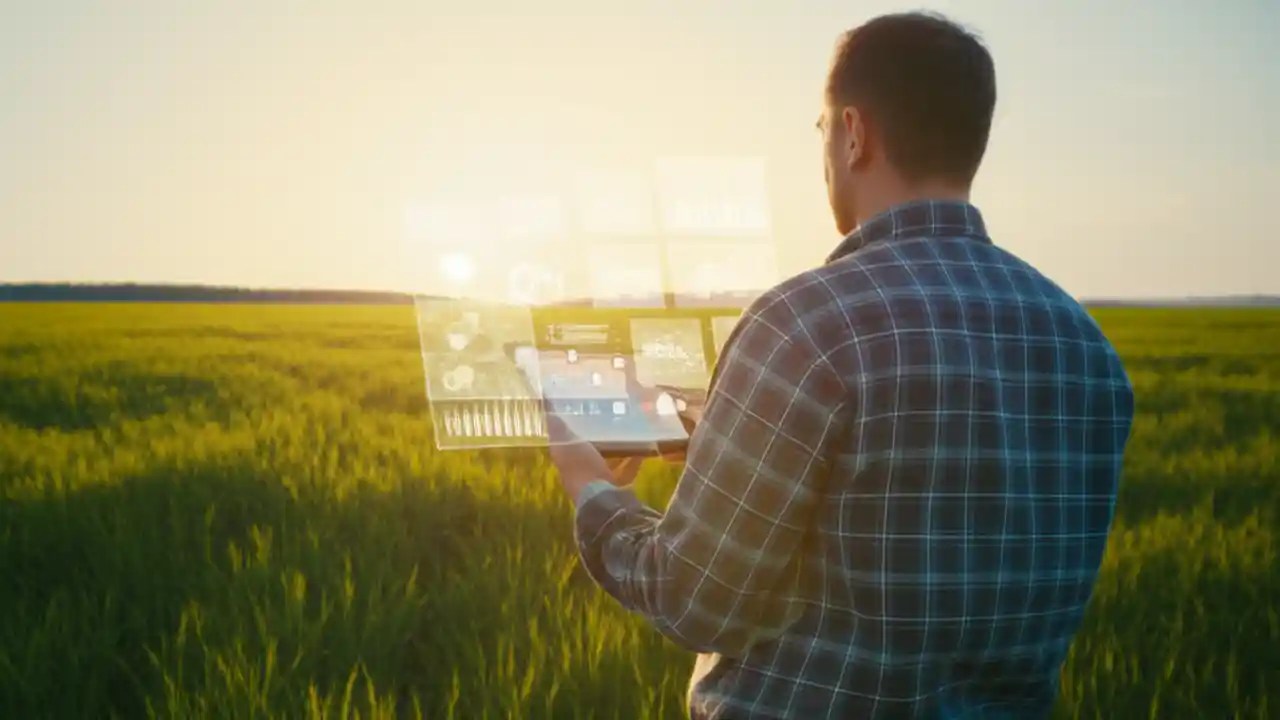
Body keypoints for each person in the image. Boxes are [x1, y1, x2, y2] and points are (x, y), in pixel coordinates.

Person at [547, 11, 1135, 719]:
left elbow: (694, 598)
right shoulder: (1087, 348)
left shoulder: (807, 323)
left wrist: (590, 493)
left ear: (854, 134)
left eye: (823, 130)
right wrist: (718, 436)